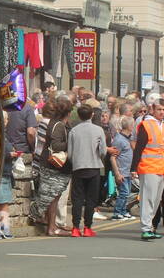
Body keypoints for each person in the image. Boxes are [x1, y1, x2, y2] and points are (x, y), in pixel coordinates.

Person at [131, 97, 164, 240]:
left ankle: (149, 227)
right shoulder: (146, 124)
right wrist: (134, 167)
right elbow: (139, 147)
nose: (162, 112)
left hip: (161, 167)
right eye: (159, 110)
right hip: (148, 166)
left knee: (156, 200)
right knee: (148, 199)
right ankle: (146, 228)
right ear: (153, 110)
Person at [32, 97, 74, 236]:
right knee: (53, 197)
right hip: (53, 166)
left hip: (49, 165)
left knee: (53, 197)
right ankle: (52, 227)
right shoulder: (59, 125)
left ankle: (52, 225)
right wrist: (71, 144)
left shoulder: (55, 123)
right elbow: (56, 145)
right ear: (67, 113)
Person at [67, 104, 107, 236]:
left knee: (77, 199)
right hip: (93, 166)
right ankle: (87, 227)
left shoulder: (73, 131)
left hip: (78, 167)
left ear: (79, 115)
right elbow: (103, 151)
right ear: (92, 115)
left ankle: (75, 228)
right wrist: (98, 157)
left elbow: (70, 153)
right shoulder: (98, 130)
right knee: (91, 199)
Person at [0, 110, 17, 239]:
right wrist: (8, 154)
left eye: (6, 120)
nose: (6, 122)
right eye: (4, 119)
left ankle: (3, 226)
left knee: (5, 201)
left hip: (6, 171)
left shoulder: (5, 135)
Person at [110, 115, 134, 219]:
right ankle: (117, 212)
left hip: (127, 171)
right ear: (130, 126)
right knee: (123, 193)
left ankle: (123, 211)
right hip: (121, 171)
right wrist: (117, 173)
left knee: (127, 193)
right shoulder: (119, 140)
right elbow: (113, 158)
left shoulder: (128, 139)